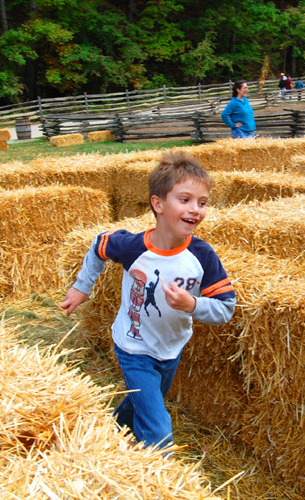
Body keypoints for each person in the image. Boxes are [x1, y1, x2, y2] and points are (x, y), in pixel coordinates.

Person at [59, 151, 236, 452]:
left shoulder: (202, 256)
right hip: (133, 346)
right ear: (158, 204)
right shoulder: (132, 246)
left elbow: (225, 308)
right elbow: (99, 245)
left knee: (144, 400)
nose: (196, 209)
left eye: (202, 202)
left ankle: (111, 433)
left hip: (171, 348)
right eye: (185, 200)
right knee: (157, 427)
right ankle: (155, 479)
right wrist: (82, 287)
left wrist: (192, 305)